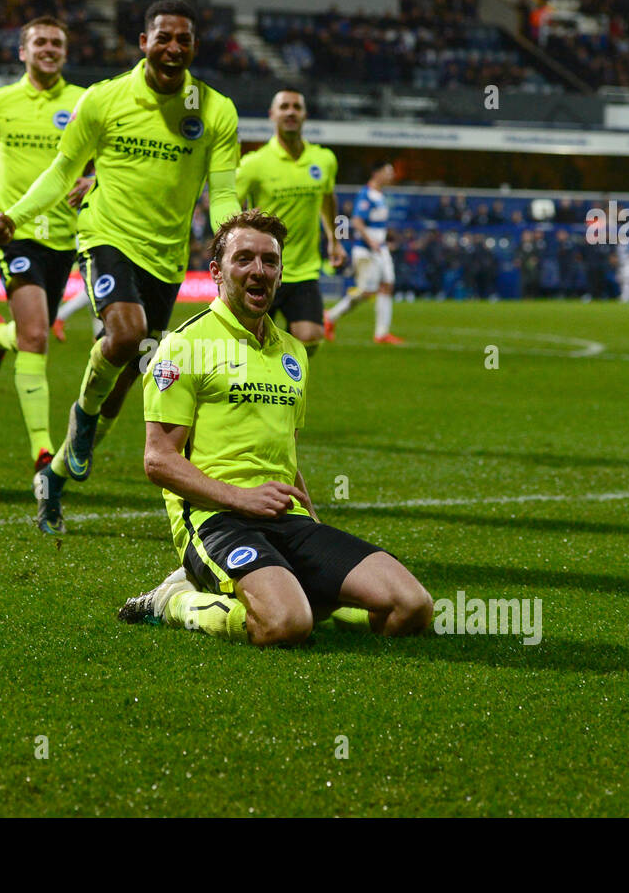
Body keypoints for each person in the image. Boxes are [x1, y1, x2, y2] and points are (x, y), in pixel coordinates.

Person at [0, 0, 241, 533]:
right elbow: (62, 172)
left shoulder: (215, 110)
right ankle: (80, 420)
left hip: (167, 257)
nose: (173, 48)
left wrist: (231, 238)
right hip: (107, 234)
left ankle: (52, 477)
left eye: (184, 40)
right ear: (143, 43)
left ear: (193, 48)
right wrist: (15, 214)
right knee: (127, 333)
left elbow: (224, 191)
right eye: (163, 38)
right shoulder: (104, 100)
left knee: (127, 378)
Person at [118, 210, 433, 646]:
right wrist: (241, 498)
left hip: (286, 518)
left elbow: (287, 455)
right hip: (217, 518)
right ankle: (171, 602)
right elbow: (159, 460)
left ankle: (298, 594)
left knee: (412, 606)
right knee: (286, 625)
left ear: (281, 273)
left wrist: (317, 529)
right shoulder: (183, 346)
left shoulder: (294, 354)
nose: (258, 271)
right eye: (243, 259)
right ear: (216, 271)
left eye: (270, 261)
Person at [0, 17, 94, 471]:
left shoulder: (83, 101)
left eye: (57, 42)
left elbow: (107, 155)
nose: (49, 48)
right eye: (40, 41)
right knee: (38, 335)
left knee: (28, 331)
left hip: (65, 234)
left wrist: (94, 178)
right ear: (22, 51)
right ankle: (42, 449)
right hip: (12, 229)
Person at [235, 88, 343, 356]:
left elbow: (329, 200)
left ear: (305, 115)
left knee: (310, 338)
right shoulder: (253, 164)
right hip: (262, 269)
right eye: (284, 107)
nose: (291, 112)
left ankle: (282, 383)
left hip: (304, 270)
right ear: (272, 115)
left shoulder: (324, 160)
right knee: (247, 346)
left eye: (296, 107)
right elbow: (231, 210)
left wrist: (335, 239)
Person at [326, 162, 403, 343]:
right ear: (376, 173)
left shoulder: (380, 195)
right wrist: (372, 242)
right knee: (366, 292)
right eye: (388, 172)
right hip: (366, 250)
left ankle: (382, 333)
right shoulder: (366, 194)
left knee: (387, 286)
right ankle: (330, 317)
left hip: (380, 249)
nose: (391, 176)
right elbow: (357, 221)